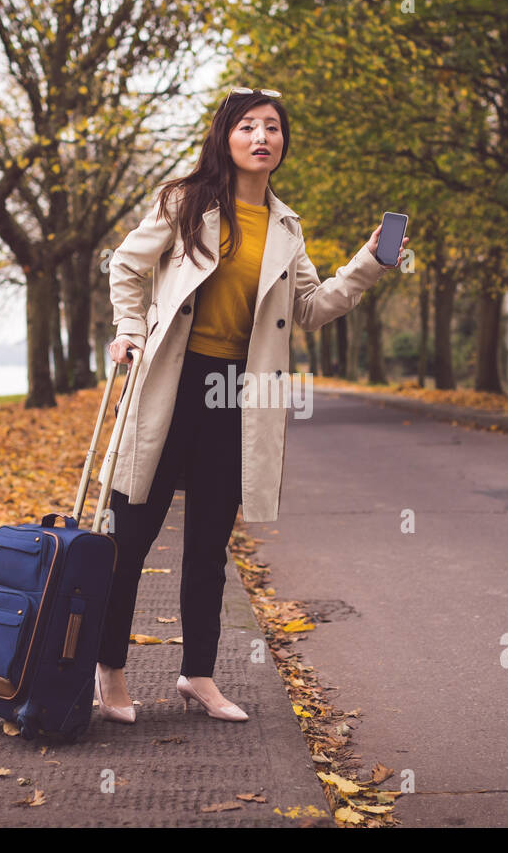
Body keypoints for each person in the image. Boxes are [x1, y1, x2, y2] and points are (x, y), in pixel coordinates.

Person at [95, 87, 408, 724]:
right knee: (132, 536)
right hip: (169, 384)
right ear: (226, 138)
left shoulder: (286, 228)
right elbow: (127, 263)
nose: (262, 137)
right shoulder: (185, 202)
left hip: (237, 395)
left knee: (210, 544)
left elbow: (311, 308)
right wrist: (129, 328)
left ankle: (198, 676)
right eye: (248, 127)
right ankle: (110, 671)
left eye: (272, 128)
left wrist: (371, 263)